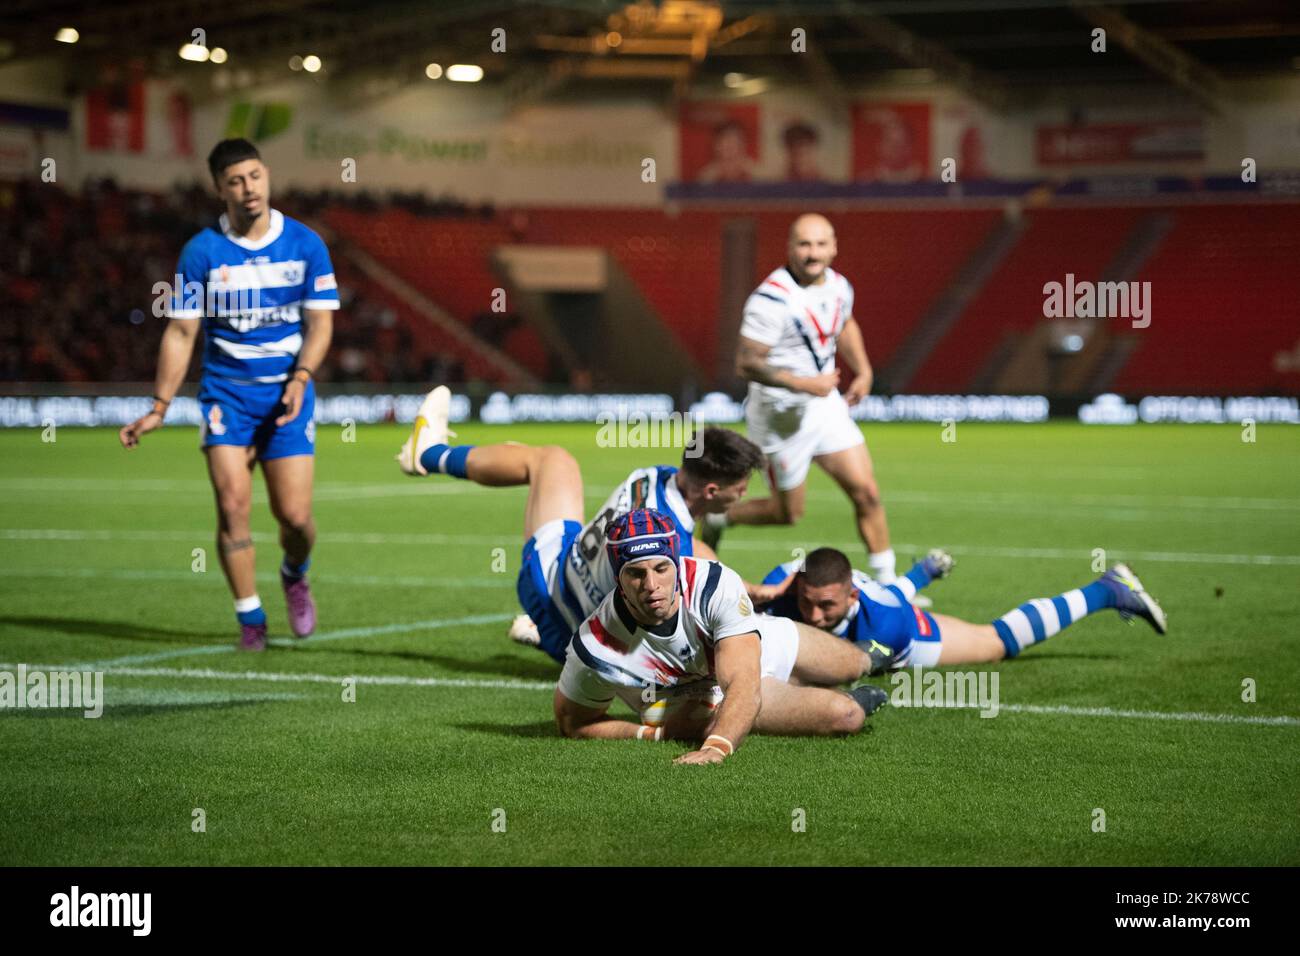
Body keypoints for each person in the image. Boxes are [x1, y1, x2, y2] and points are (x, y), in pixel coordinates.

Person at [119, 138, 338, 650]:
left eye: (255, 176)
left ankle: (293, 572)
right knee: (233, 504)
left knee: (296, 519)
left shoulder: (306, 244)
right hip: (227, 399)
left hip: (288, 395)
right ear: (219, 188)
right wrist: (159, 406)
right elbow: (180, 332)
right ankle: (251, 620)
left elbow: (321, 325)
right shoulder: (201, 253)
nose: (248, 189)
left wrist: (301, 378)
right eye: (236, 181)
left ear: (267, 177)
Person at [396, 386, 765, 663]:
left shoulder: (655, 476)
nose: (744, 494)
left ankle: (430, 454)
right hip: (567, 620)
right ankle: (550, 634)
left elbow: (691, 549)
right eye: (742, 487)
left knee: (551, 459)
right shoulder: (666, 545)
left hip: (559, 564)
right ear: (713, 491)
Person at [553, 510, 888, 764]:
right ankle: (853, 695)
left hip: (758, 647)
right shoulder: (596, 647)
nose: (651, 586)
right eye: (636, 574)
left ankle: (864, 658)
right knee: (847, 715)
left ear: (676, 563)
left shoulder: (713, 585)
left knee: (856, 663)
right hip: (713, 700)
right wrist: (654, 734)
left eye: (661, 569)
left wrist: (717, 745)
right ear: (618, 577)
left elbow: (743, 681)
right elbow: (574, 723)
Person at [704, 213, 902, 586]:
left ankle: (889, 584)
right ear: (790, 248)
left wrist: (863, 370)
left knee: (867, 492)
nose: (813, 254)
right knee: (787, 513)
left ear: (834, 247)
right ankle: (719, 517)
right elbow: (746, 363)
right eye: (804, 244)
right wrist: (802, 384)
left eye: (821, 244)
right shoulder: (770, 299)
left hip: (824, 409)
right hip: (780, 419)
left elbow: (844, 323)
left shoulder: (840, 286)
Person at [759, 546, 1167, 670]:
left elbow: (843, 668)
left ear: (852, 597)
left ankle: (1108, 590)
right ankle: (924, 570)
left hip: (913, 639)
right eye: (806, 603)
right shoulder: (785, 582)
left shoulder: (887, 621)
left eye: (826, 606)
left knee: (995, 643)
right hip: (887, 601)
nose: (814, 615)